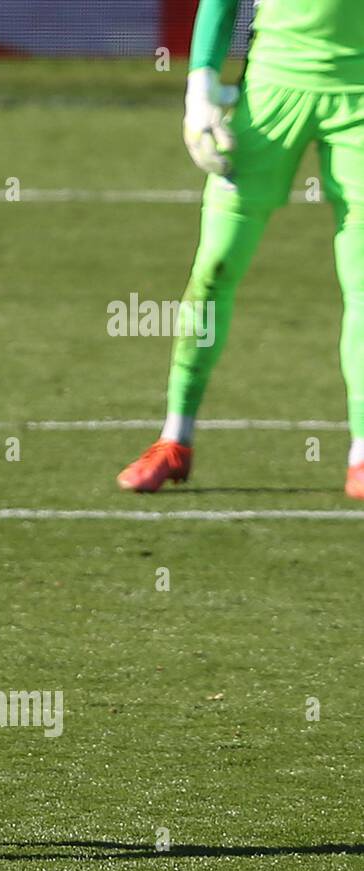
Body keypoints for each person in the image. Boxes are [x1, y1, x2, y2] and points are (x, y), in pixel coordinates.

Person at [117, 0, 364, 498]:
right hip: (269, 96)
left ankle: (362, 453)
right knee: (214, 266)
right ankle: (174, 438)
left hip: (358, 98)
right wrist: (200, 84)